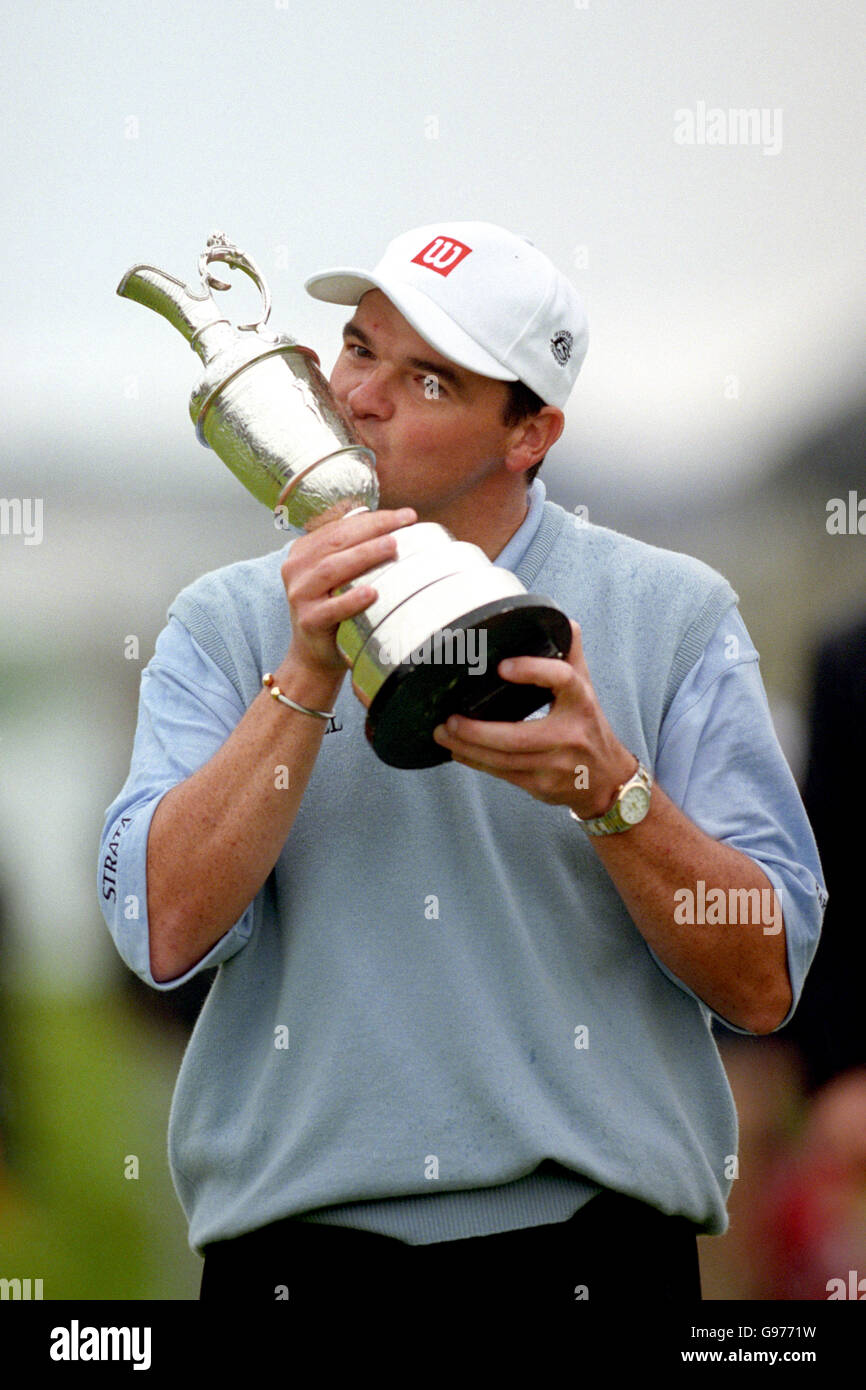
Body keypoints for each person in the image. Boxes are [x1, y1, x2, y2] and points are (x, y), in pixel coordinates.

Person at [99, 221, 825, 1310]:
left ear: (528, 432)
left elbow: (763, 977)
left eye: (427, 378)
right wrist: (304, 668)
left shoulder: (672, 614)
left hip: (591, 1251)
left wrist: (612, 795)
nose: (361, 396)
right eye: (356, 349)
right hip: (295, 1261)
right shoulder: (225, 624)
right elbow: (159, 930)